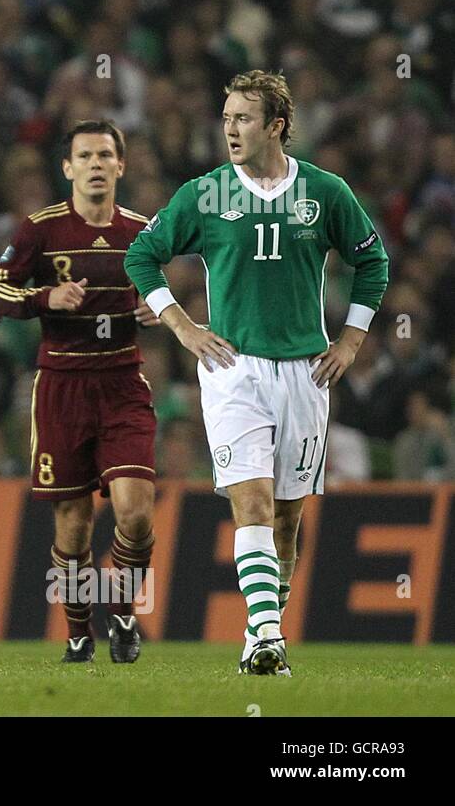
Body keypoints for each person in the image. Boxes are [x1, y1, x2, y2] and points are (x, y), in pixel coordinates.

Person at [124, 71, 389, 675]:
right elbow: (142, 253)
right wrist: (185, 328)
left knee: (288, 519)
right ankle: (269, 635)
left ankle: (259, 632)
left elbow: (372, 259)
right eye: (225, 118)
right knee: (253, 504)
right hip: (233, 370)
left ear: (276, 126)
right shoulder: (207, 193)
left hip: (306, 372)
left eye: (243, 118)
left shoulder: (324, 192)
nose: (230, 129)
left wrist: (350, 339)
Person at [0, 119, 160, 663]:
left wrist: (155, 309)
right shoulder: (41, 229)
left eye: (106, 154)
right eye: (86, 156)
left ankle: (121, 610)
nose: (97, 164)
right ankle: (79, 634)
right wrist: (43, 299)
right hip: (61, 387)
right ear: (68, 168)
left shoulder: (142, 232)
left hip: (123, 384)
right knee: (74, 525)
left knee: (136, 513)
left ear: (121, 165)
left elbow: (163, 292)